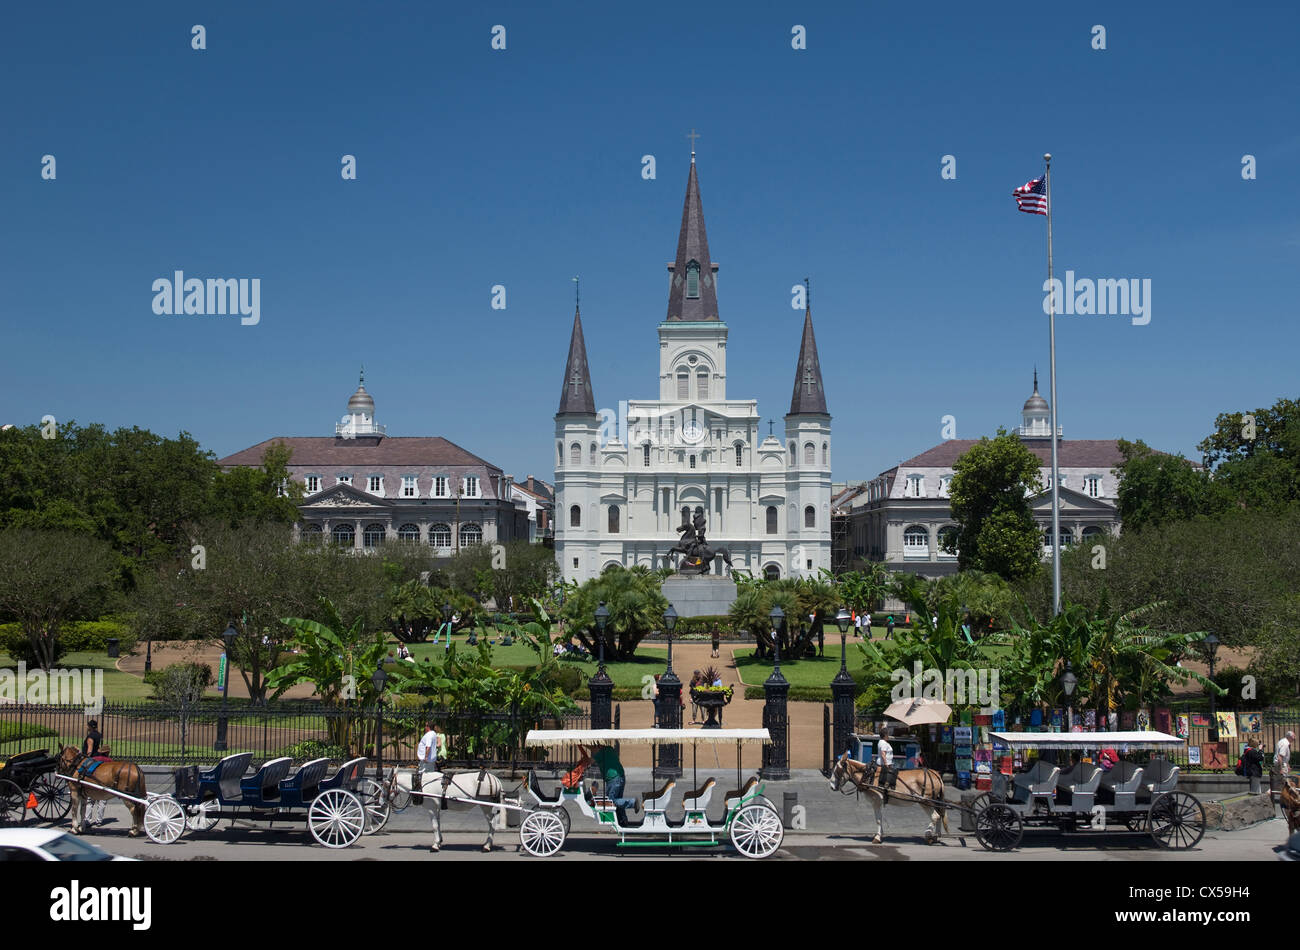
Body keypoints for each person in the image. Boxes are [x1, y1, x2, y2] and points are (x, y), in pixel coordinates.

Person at [579, 743, 638, 821]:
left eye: (593, 749)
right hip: (620, 777)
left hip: (613, 779)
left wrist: (581, 763)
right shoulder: (608, 749)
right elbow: (593, 748)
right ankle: (623, 820)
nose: (593, 752)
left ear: (598, 746)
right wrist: (581, 744)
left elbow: (590, 761)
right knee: (618, 800)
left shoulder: (600, 753)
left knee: (611, 801)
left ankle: (632, 803)